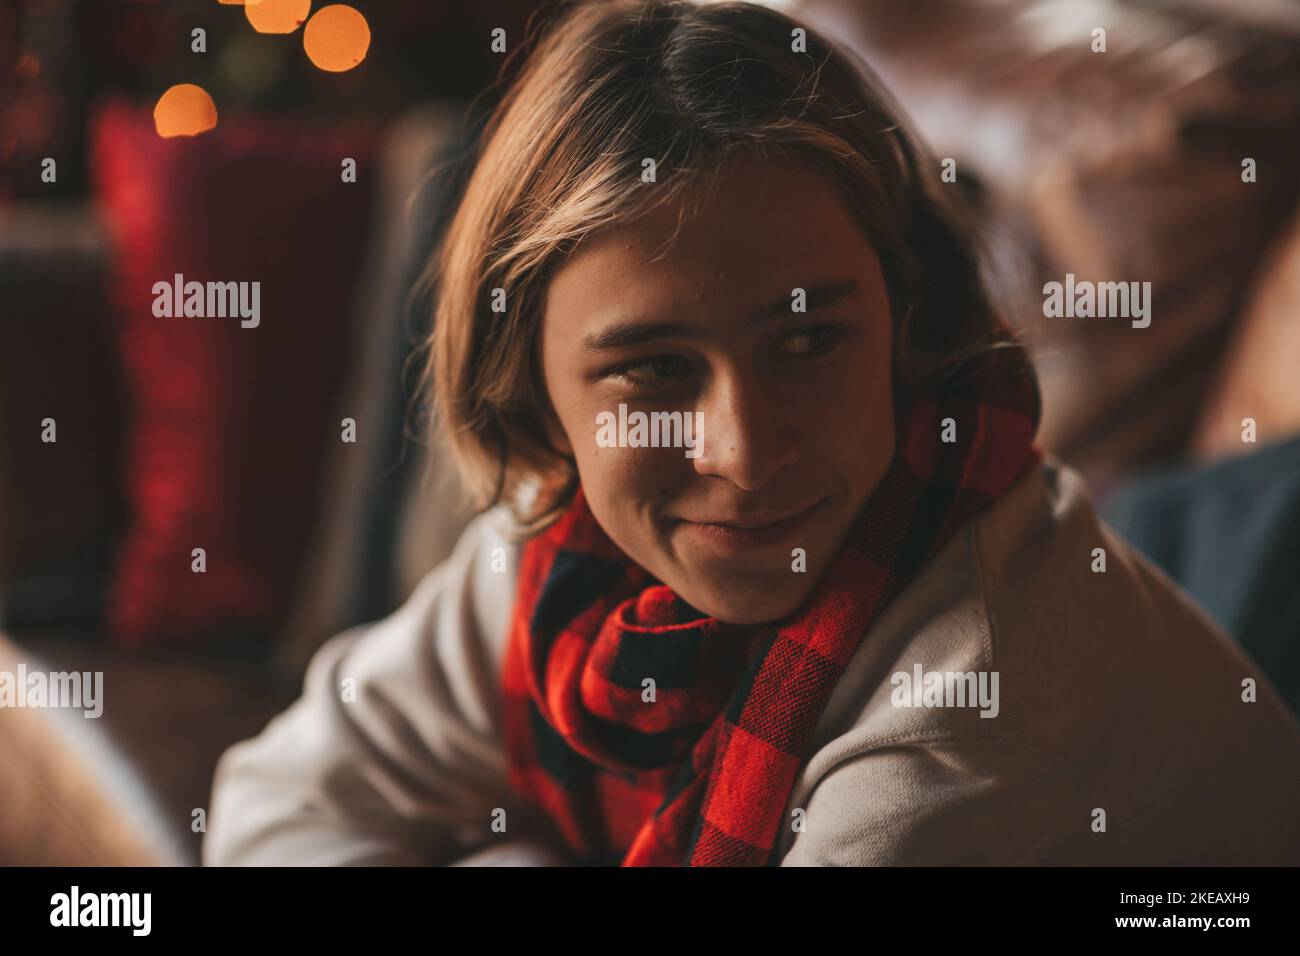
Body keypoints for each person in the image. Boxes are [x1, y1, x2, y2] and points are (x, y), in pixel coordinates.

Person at [204, 0, 1300, 866]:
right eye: (655, 368)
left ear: (908, 325)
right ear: (533, 397)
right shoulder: (555, 562)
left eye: (808, 340)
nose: (742, 448)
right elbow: (275, 801)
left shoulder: (964, 729)